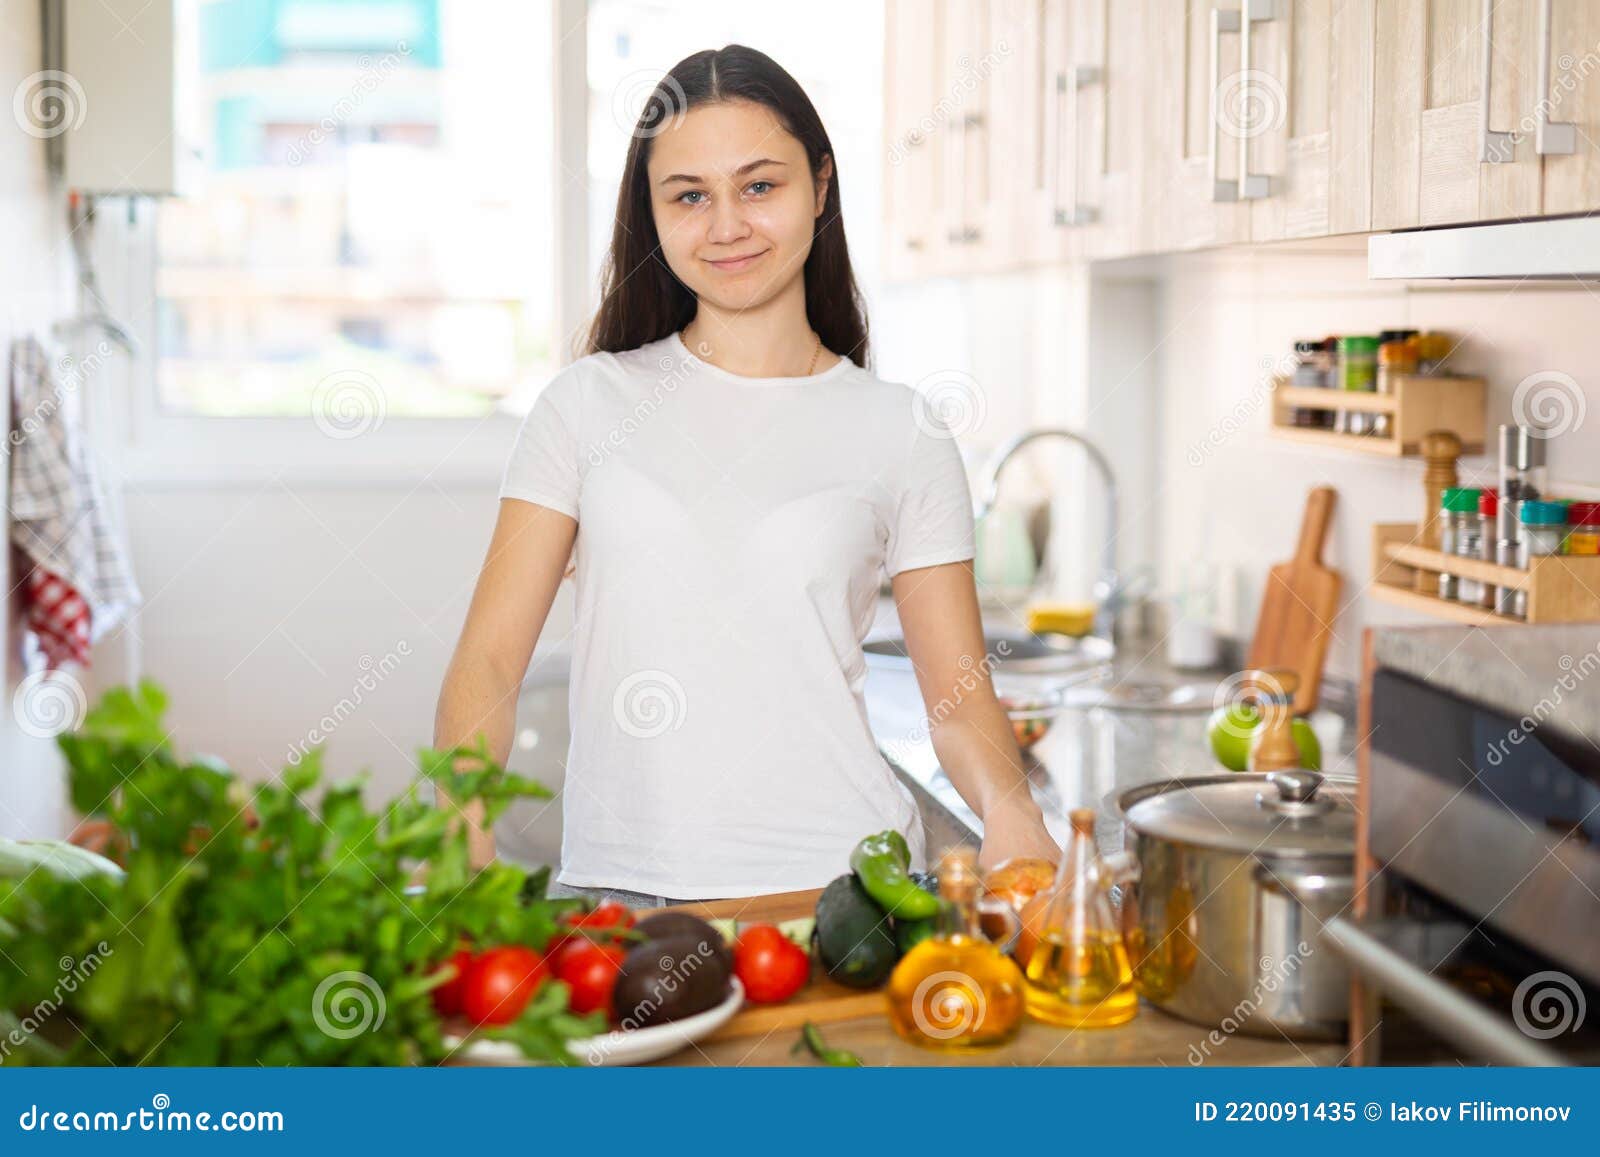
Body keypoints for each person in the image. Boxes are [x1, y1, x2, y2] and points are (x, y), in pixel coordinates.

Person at [434, 44, 1057, 908]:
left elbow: (954, 700)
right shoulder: (585, 405)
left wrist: (1013, 811)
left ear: (821, 188)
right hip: (621, 900)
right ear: (651, 215)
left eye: (760, 186)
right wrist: (459, 835)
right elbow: (490, 661)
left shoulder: (902, 429)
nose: (726, 225)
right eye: (690, 195)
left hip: (843, 900)